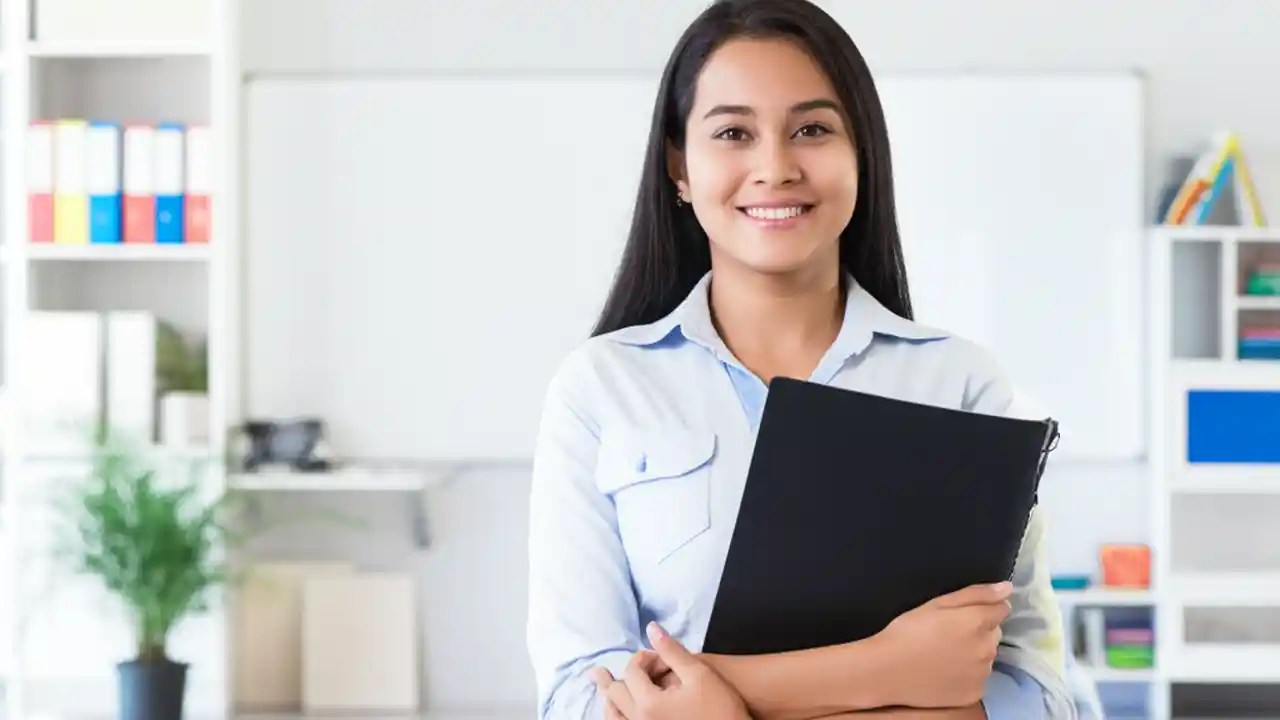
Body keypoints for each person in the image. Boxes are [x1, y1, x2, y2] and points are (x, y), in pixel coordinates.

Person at [526, 1, 1075, 718]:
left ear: (860, 153)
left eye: (812, 130)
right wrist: (892, 669)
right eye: (733, 133)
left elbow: (1036, 696)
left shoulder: (960, 383)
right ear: (679, 167)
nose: (775, 168)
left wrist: (714, 701)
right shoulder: (601, 388)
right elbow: (579, 698)